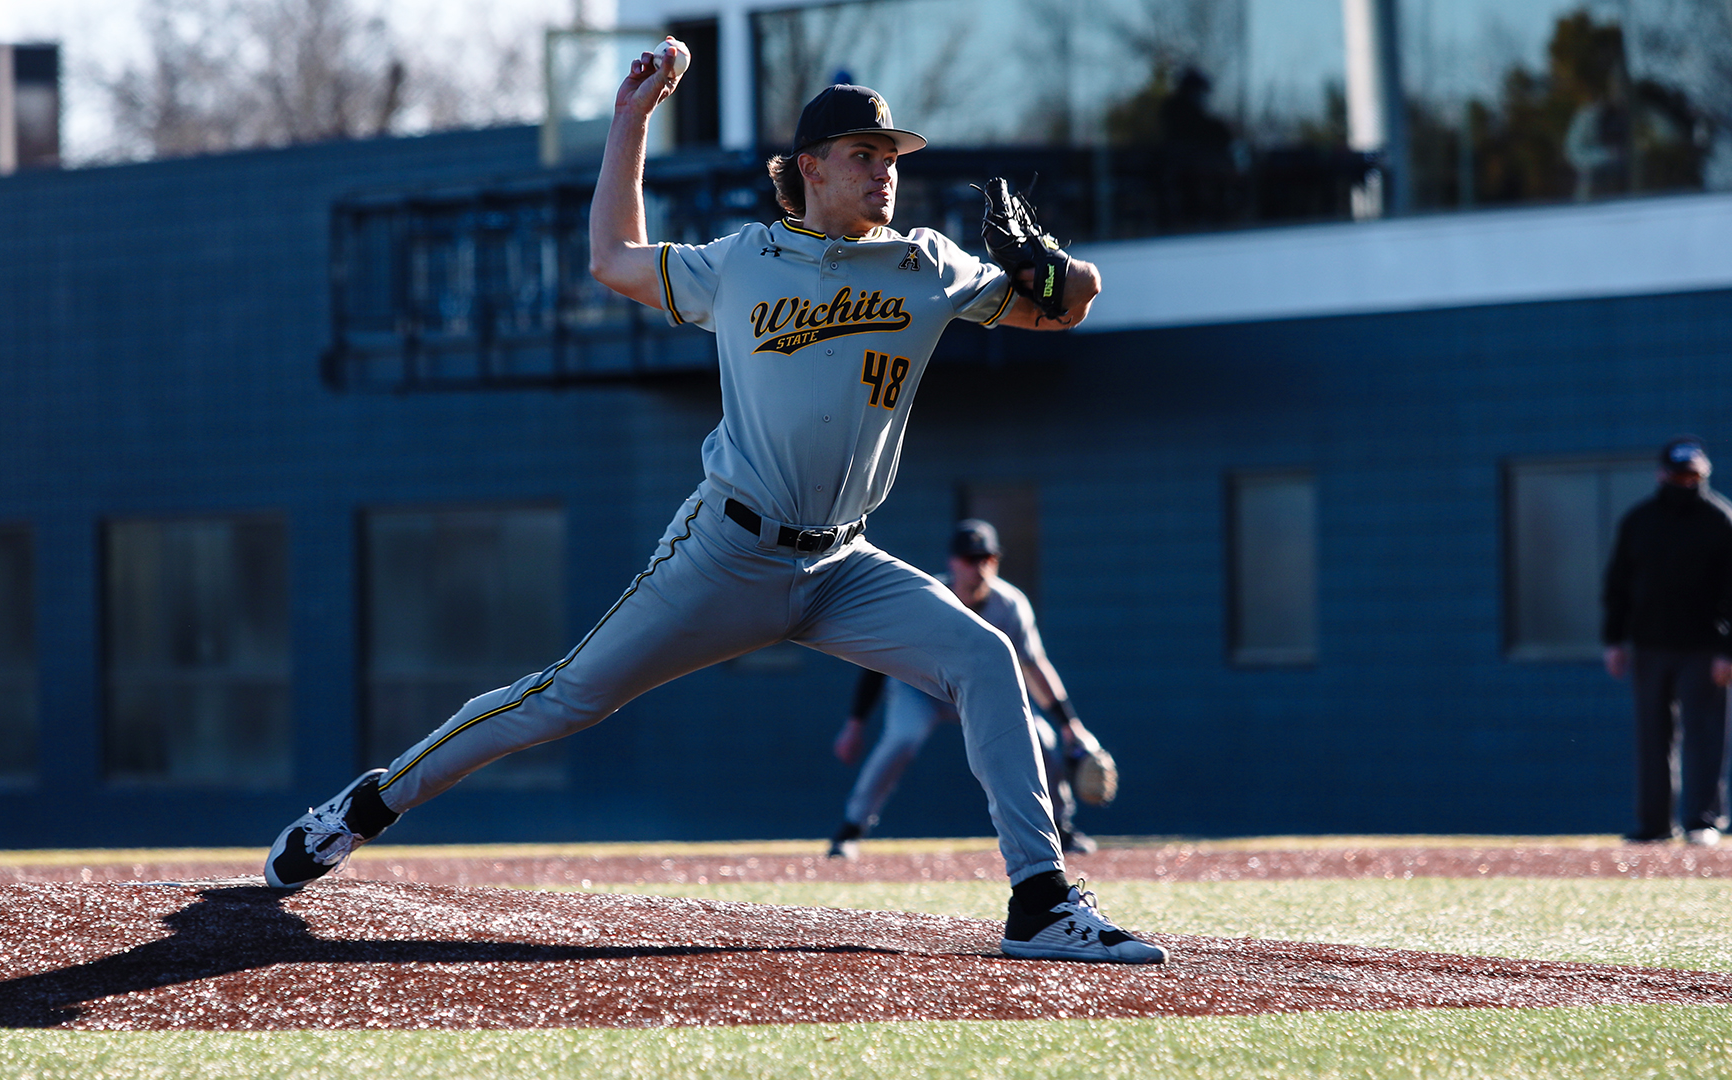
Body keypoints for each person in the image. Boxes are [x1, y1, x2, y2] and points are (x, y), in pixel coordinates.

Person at [263, 41, 1168, 964]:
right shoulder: (743, 261)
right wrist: (632, 120)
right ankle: (368, 804)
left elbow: (1069, 306)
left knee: (984, 656)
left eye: (891, 157)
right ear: (810, 168)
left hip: (843, 566)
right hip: (727, 553)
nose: (884, 172)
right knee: (565, 698)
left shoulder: (924, 266)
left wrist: (1044, 260)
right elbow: (612, 258)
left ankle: (1041, 901)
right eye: (864, 155)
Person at [828, 519, 1109, 858]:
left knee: (1044, 741)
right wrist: (855, 723)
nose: (978, 567)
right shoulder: (927, 598)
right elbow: (878, 659)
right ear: (952, 562)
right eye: (969, 558)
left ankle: (1061, 828)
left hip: (984, 693)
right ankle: (852, 828)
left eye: (986, 558)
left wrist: (1070, 724)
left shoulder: (1010, 605)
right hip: (924, 691)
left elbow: (1035, 666)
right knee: (901, 740)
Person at [1602, 435, 1732, 846]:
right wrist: (1614, 640)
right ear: (1662, 474)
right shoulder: (1639, 521)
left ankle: (1702, 821)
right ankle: (1654, 824)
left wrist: (1727, 650)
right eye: (1679, 475)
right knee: (1652, 737)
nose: (1685, 482)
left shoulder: (1720, 519)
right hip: (1650, 646)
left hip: (1704, 649)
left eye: (1693, 475)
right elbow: (1618, 584)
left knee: (1704, 734)